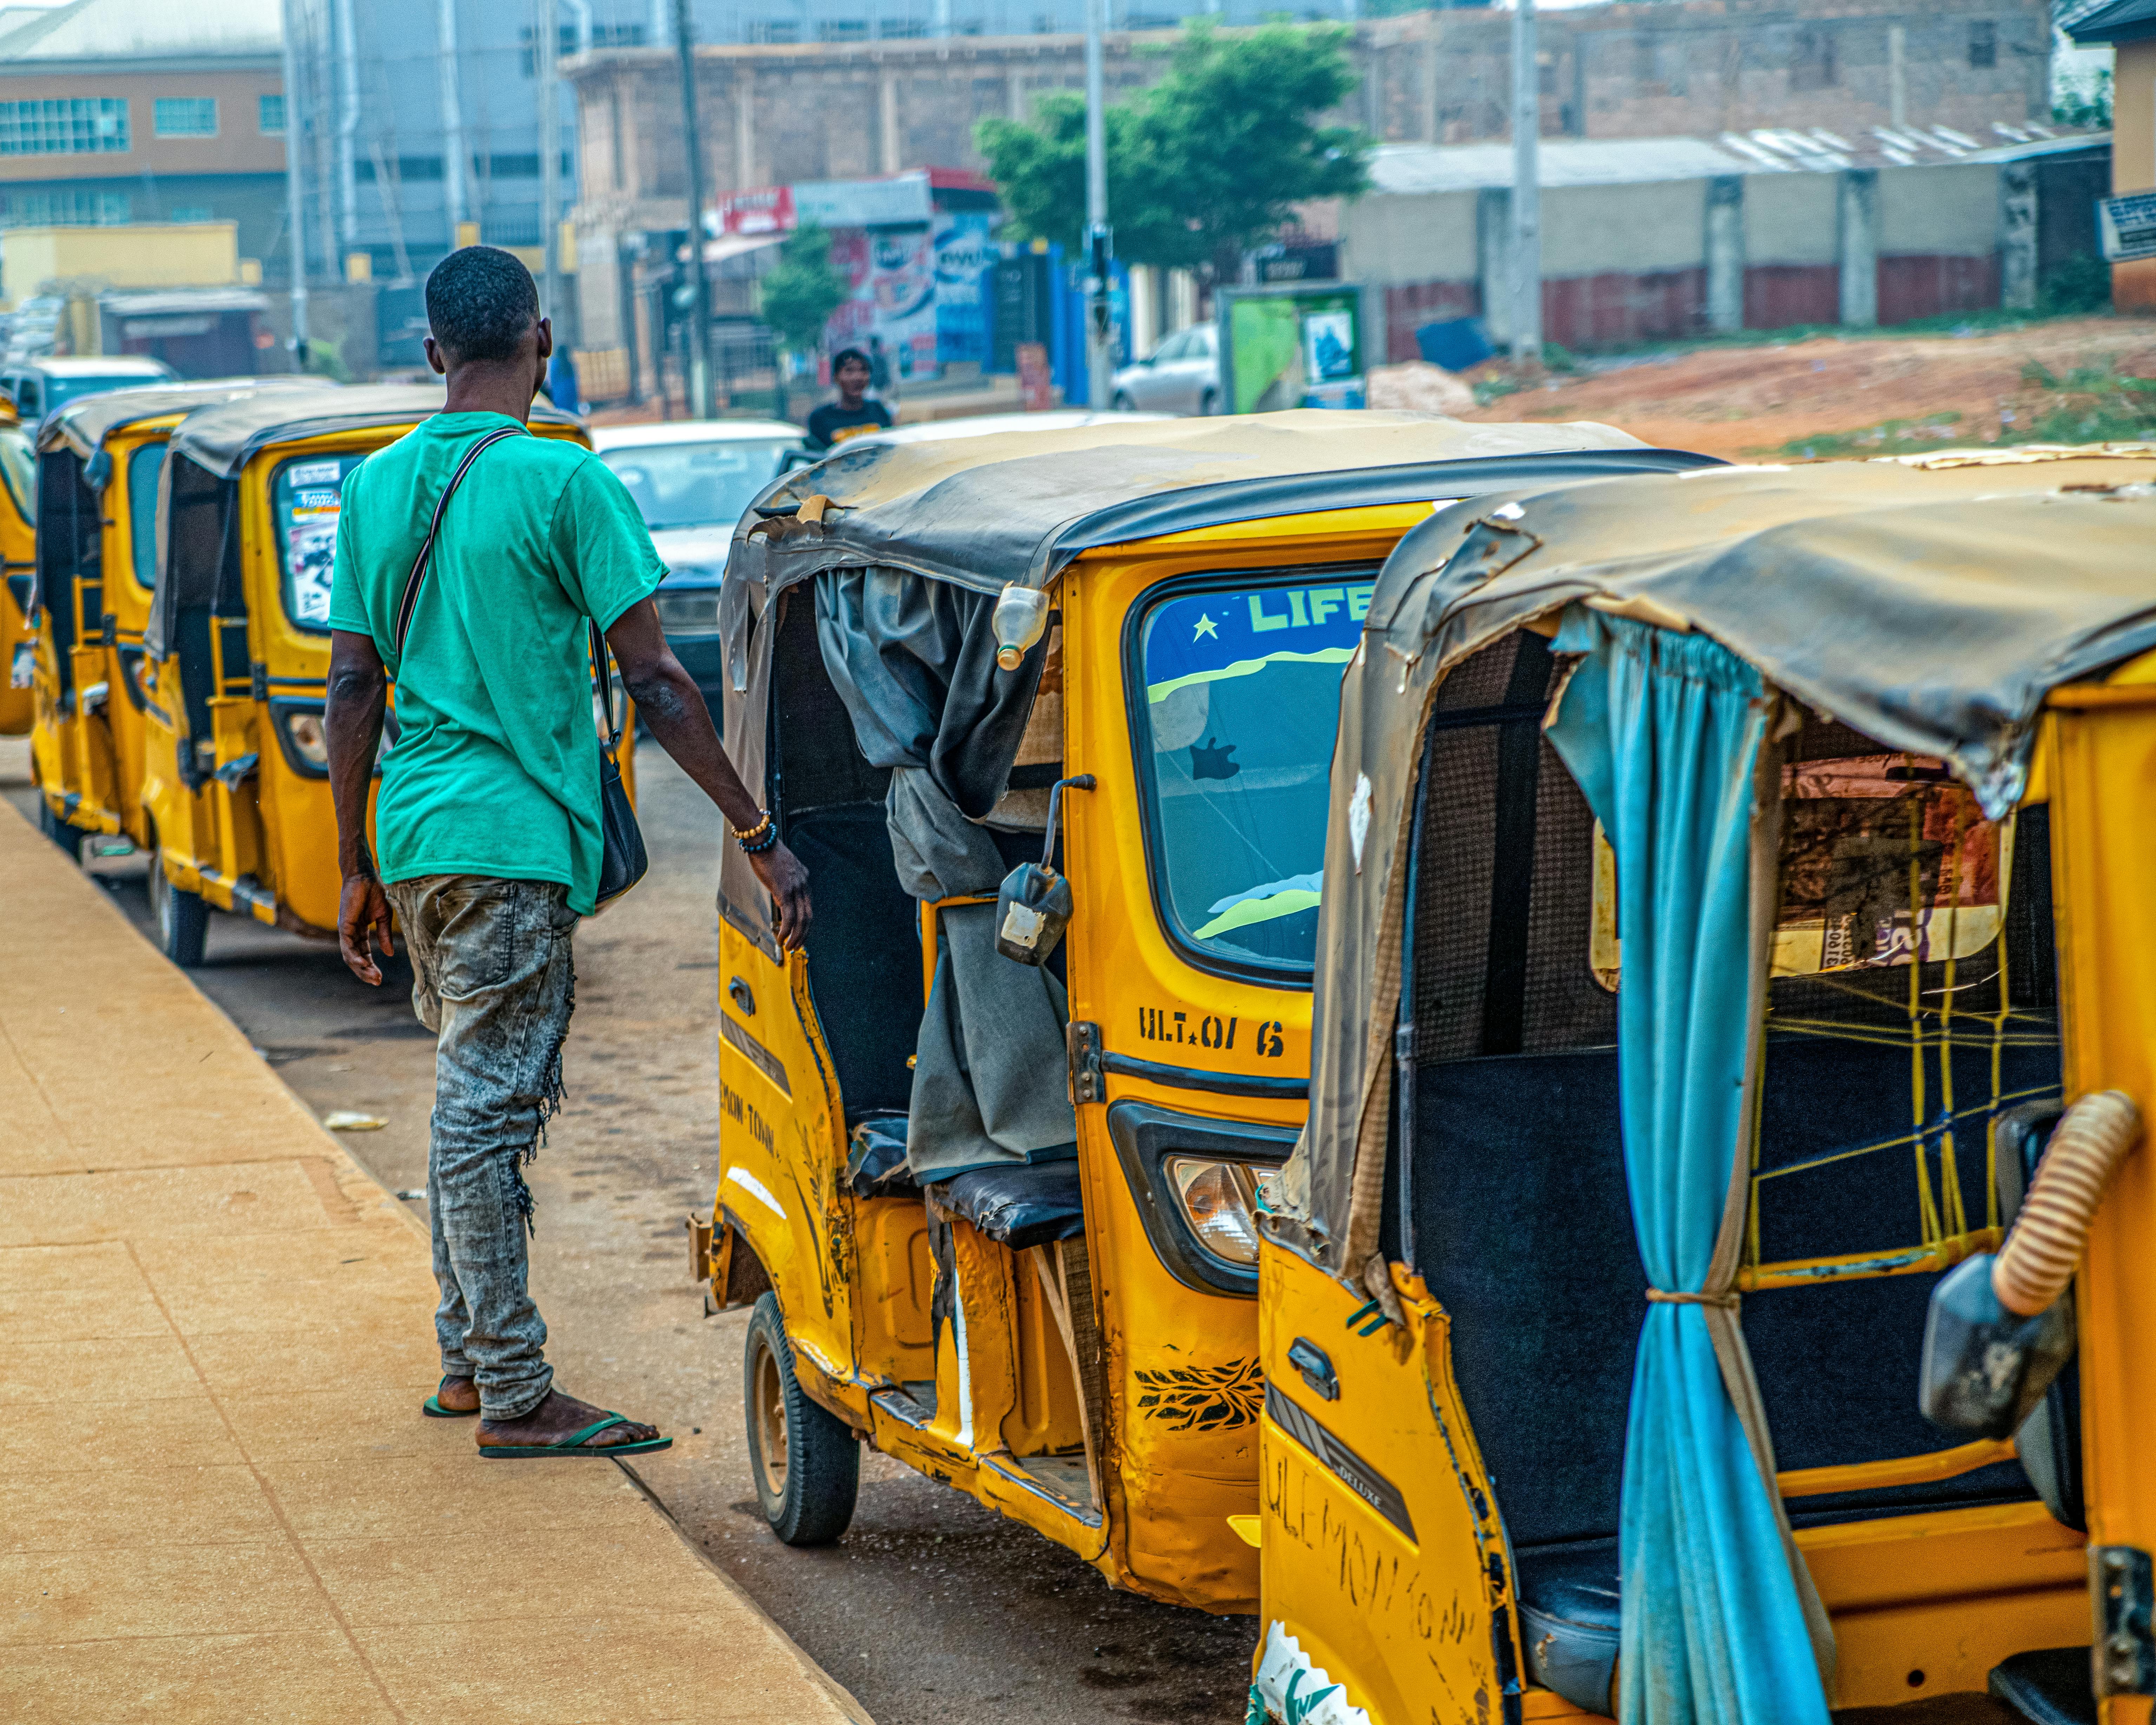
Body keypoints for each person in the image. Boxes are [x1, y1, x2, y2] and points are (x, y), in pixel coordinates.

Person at [323, 246, 812, 1458]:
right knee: (489, 1115)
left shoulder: (376, 488)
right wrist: (758, 834)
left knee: (461, 1096)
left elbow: (350, 688)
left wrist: (352, 867)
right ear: (540, 341)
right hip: (513, 842)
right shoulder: (567, 483)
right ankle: (513, 1389)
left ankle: (461, 1356)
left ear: (435, 355)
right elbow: (655, 676)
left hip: (417, 838)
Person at [805, 346, 893, 450]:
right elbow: (816, 461)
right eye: (849, 371)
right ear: (836, 377)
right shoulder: (820, 418)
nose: (857, 377)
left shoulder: (878, 410)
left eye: (863, 370)